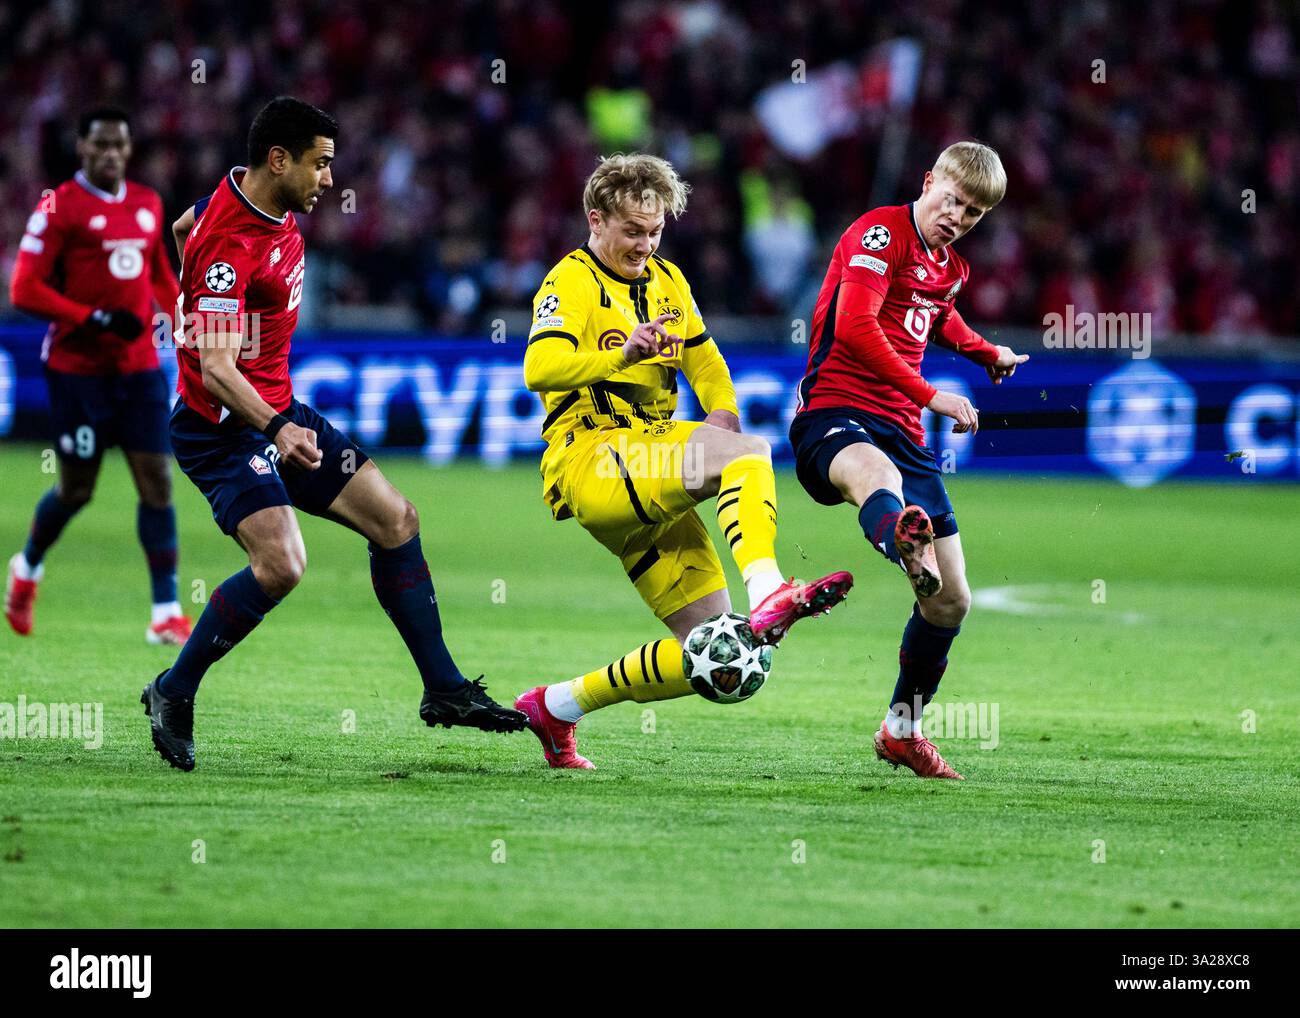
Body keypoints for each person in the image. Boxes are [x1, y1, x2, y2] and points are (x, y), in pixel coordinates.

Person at [142, 96, 525, 771]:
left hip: (277, 410)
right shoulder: (230, 244)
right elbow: (215, 366)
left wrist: (190, 281)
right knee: (282, 566)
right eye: (319, 165)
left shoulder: (256, 212)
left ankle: (444, 689)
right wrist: (276, 426)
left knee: (397, 519)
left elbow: (182, 226)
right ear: (278, 159)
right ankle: (173, 690)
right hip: (226, 429)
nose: (329, 180)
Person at [514, 153, 853, 770]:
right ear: (596, 220)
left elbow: (706, 361)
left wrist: (721, 410)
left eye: (655, 231)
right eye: (632, 232)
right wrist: (621, 355)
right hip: (592, 455)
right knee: (751, 457)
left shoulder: (668, 281)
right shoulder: (571, 281)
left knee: (721, 656)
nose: (645, 244)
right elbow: (539, 368)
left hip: (645, 464)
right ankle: (769, 584)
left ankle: (555, 707)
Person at [789, 141, 1030, 779]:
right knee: (879, 477)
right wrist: (932, 394)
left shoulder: (949, 267)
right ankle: (903, 542)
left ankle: (902, 730)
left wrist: (985, 353)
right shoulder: (878, 233)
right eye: (952, 199)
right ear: (929, 182)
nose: (958, 216)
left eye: (974, 213)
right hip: (834, 411)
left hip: (903, 431)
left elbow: (936, 315)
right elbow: (854, 327)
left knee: (952, 602)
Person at [6, 107, 191, 645]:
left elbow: (158, 273)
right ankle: (27, 568)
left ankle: (165, 611)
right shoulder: (56, 205)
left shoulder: (147, 203)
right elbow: (24, 288)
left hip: (136, 369)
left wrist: (186, 322)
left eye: (121, 145)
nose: (112, 154)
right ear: (81, 148)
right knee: (77, 489)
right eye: (102, 145)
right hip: (78, 369)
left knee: (156, 481)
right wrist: (91, 317)